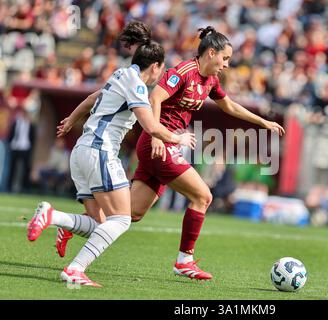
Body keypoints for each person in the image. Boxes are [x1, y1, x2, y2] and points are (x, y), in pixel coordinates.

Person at [54, 26, 284, 281]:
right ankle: (184, 260)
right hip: (159, 143)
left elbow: (228, 105)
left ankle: (72, 225)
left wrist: (262, 122)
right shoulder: (182, 72)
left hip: (165, 145)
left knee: (130, 214)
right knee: (203, 196)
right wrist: (156, 135)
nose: (227, 64)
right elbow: (155, 98)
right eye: (225, 58)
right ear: (211, 53)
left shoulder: (211, 81)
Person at [26, 35, 196, 287]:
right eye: (162, 68)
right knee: (122, 219)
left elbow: (90, 99)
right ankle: (75, 269)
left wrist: (71, 120)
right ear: (156, 66)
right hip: (100, 151)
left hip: (81, 152)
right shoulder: (137, 85)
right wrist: (177, 138)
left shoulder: (120, 74)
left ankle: (55, 218)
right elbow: (150, 125)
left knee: (99, 224)